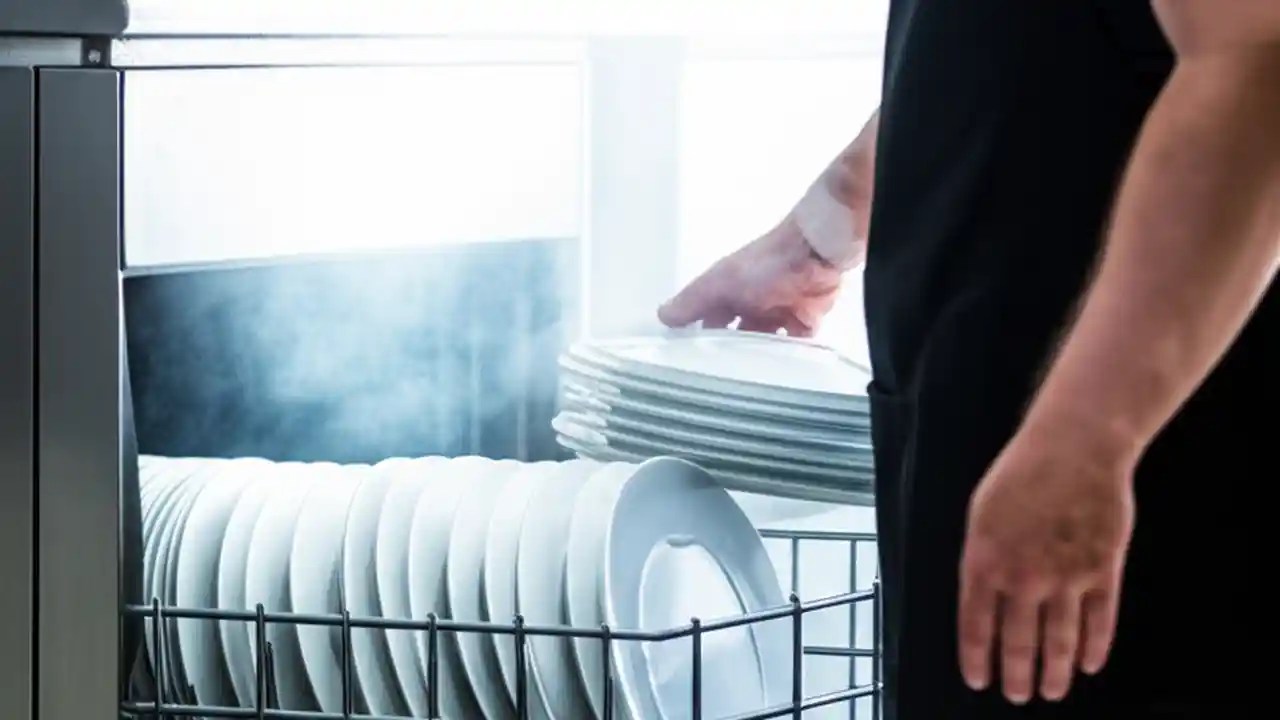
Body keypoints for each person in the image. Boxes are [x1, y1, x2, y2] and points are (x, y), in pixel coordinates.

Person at [659, 1, 1279, 718]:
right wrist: (817, 236)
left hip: (1145, 476)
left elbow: (1256, 65)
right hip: (987, 431)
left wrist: (1084, 444)